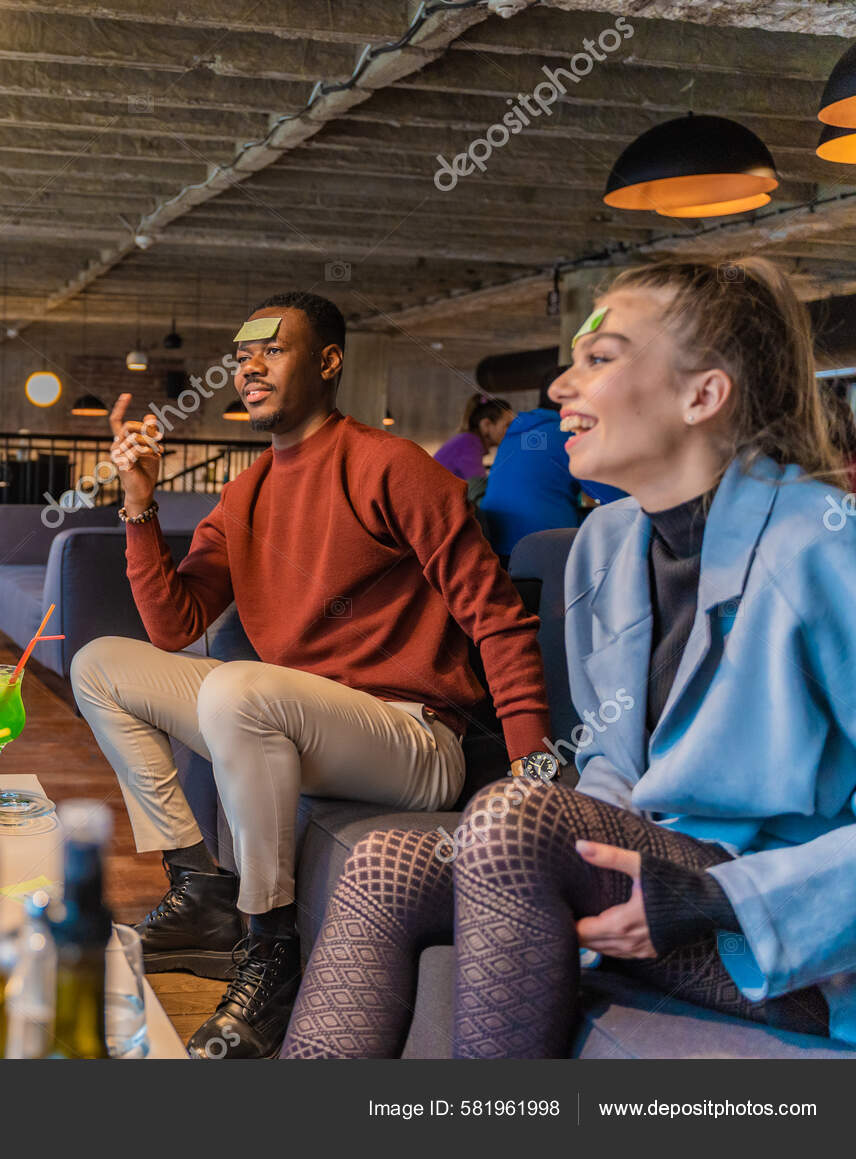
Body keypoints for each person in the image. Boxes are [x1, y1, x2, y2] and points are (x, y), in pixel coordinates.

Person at [282, 257, 856, 1059]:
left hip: (783, 933)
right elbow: (616, 768)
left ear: (703, 394)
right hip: (650, 877)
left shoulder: (821, 543)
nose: (558, 387)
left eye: (600, 358)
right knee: (386, 863)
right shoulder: (606, 545)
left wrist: (715, 896)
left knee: (515, 812)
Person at [71, 292, 555, 1059]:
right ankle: (201, 888)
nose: (249, 365)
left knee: (237, 686)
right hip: (299, 722)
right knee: (98, 663)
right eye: (241, 353)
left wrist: (534, 763)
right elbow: (175, 624)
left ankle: (270, 947)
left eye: (273, 348)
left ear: (328, 361)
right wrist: (138, 506)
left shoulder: (392, 466)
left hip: (413, 739)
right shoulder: (248, 489)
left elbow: (495, 611)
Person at [478, 380, 624, 562]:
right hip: (542, 552)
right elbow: (615, 497)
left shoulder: (515, 432)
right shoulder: (566, 433)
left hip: (495, 547)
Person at [433, 394, 513, 481]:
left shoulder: (468, 441)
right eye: (508, 425)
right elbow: (479, 489)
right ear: (486, 425)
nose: (513, 430)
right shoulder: (468, 444)